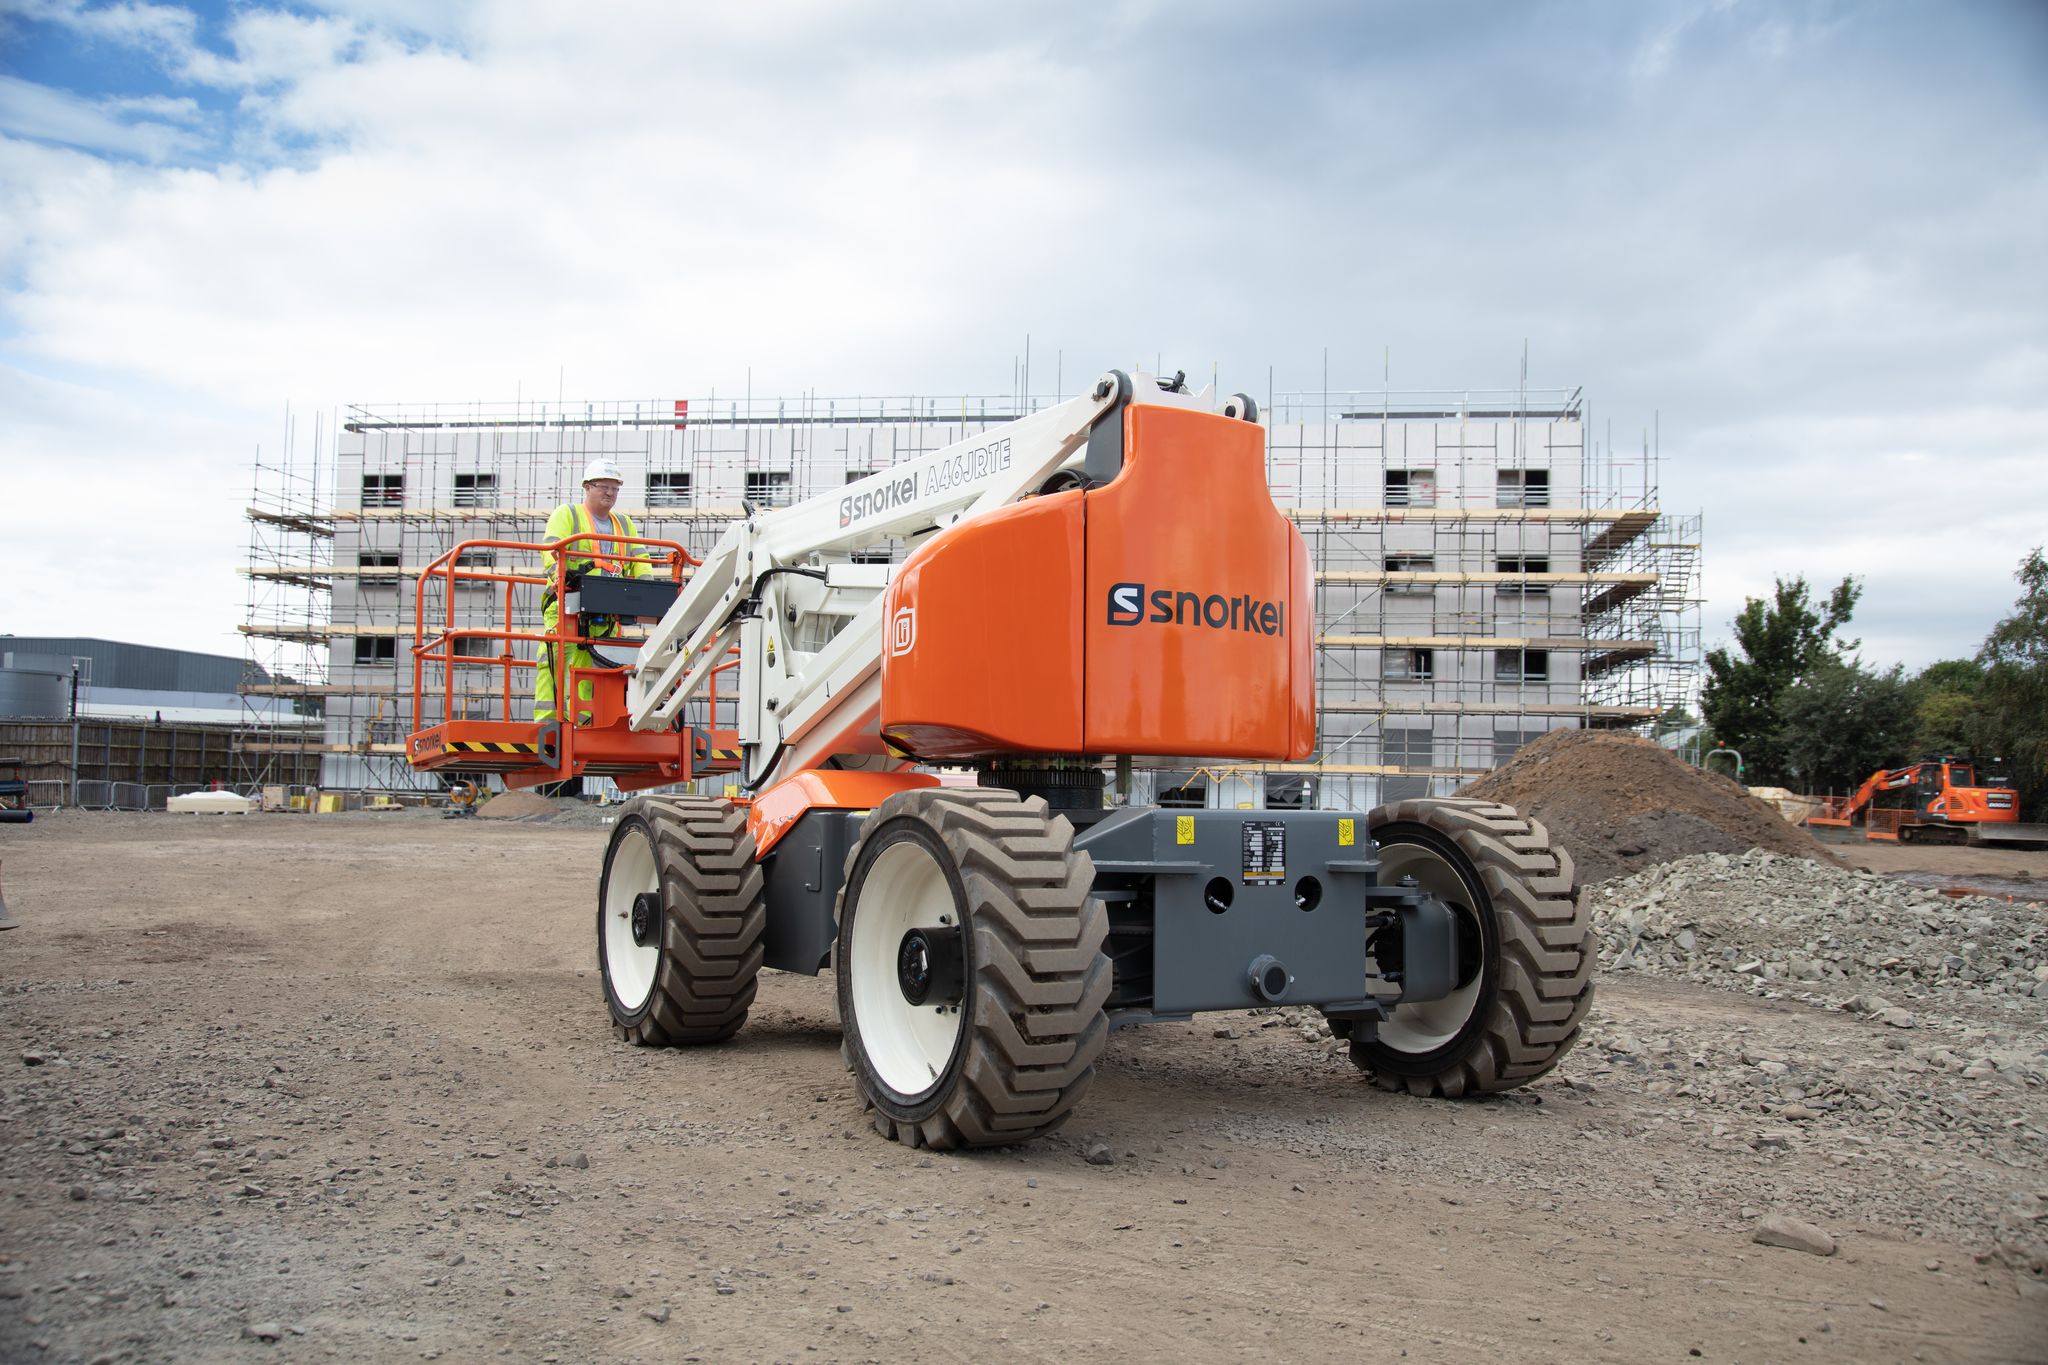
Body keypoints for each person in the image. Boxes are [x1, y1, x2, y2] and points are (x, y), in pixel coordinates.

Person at [534, 457, 651, 724]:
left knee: (595, 669)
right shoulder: (568, 514)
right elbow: (551, 551)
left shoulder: (624, 524)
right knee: (556, 663)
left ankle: (586, 724)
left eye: (615, 488)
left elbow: (641, 561)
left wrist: (646, 593)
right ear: (587, 487)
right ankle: (548, 724)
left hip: (608, 614)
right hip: (567, 608)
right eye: (603, 486)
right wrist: (560, 579)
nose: (610, 493)